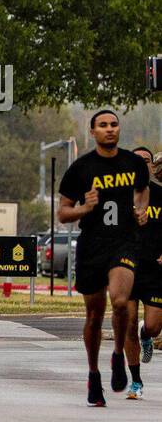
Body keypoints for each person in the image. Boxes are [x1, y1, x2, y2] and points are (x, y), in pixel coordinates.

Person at [58, 109, 150, 406]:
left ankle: (118, 356)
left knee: (121, 302)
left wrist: (140, 208)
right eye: (103, 125)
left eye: (114, 124)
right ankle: (94, 374)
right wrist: (84, 209)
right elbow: (63, 213)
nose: (110, 129)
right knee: (95, 316)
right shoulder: (81, 169)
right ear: (93, 131)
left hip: (124, 241)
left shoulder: (134, 163)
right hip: (92, 245)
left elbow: (143, 189)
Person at [121, 146, 162, 398]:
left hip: (155, 271)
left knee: (155, 325)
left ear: (151, 166)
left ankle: (146, 337)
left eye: (145, 160)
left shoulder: (160, 195)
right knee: (128, 323)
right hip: (126, 269)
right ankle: (135, 381)